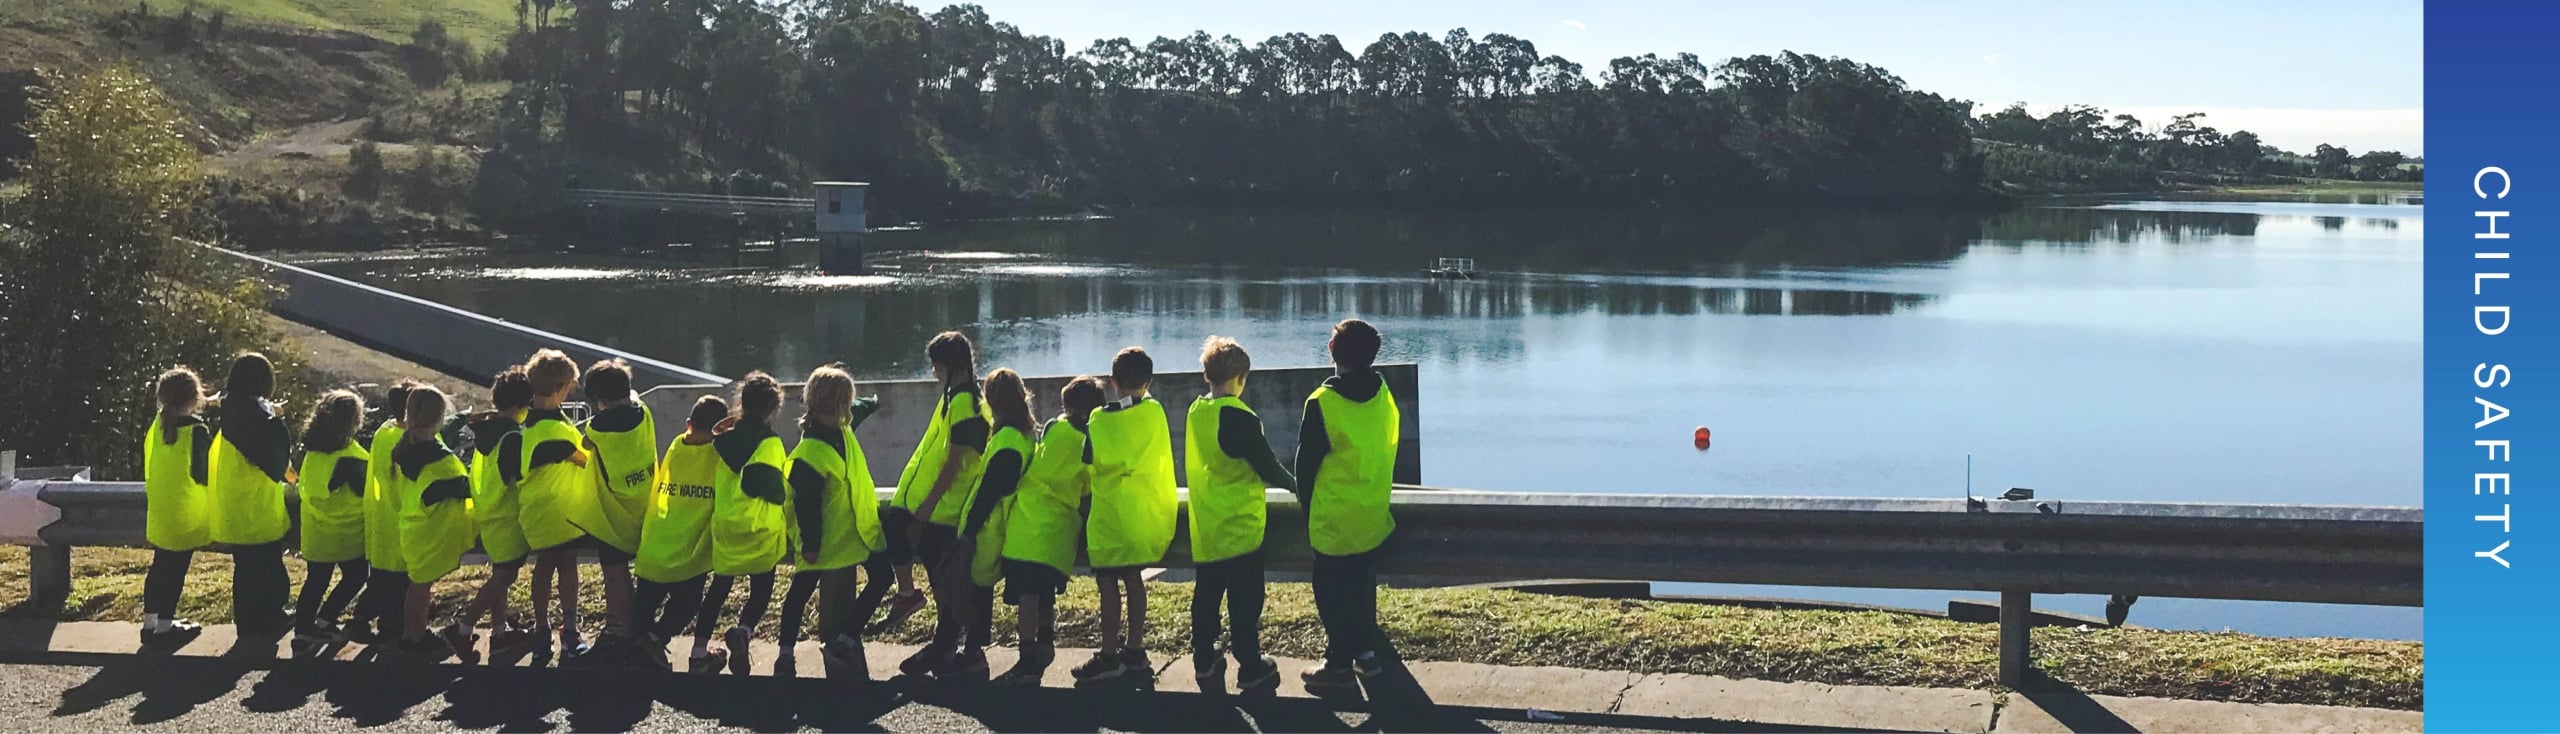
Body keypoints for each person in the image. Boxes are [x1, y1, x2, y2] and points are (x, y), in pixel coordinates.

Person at [1295, 319, 1403, 691]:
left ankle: (1338, 664)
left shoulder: (1323, 402)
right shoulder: (1383, 391)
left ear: (1331, 352)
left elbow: (1305, 467)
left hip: (1334, 521)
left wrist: (1306, 511)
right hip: (1372, 514)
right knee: (1358, 587)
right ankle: (1366, 656)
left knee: (1330, 592)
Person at [1183, 337, 1297, 691]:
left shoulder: (1197, 411)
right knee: (1245, 599)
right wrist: (1302, 488)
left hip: (1207, 522)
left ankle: (1204, 658)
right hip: (1241, 525)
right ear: (1241, 377)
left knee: (1207, 594)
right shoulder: (1239, 416)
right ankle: (1250, 665)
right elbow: (1269, 468)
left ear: (1207, 376)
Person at [1073, 347, 1179, 683]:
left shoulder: (1098, 419)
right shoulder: (1155, 411)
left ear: (1113, 381)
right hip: (1145, 516)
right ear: (1148, 381)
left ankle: (1108, 654)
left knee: (1108, 586)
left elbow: (1088, 460)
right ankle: (1134, 649)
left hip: (1109, 519)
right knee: (1134, 581)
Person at [993, 376, 1105, 686]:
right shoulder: (1092, 444)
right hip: (1061, 531)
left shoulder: (1055, 427)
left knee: (1027, 595)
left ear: (1067, 406)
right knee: (1045, 595)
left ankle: (1026, 659)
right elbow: (1086, 491)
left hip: (1029, 523)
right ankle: (1046, 642)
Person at [892, 332, 992, 676]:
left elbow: (954, 463)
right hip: (942, 508)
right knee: (946, 583)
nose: (933, 373)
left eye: (936, 366)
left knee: (947, 584)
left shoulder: (963, 402)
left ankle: (947, 647)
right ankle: (946, 645)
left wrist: (928, 506)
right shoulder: (958, 396)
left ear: (946, 366)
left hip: (945, 511)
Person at [778, 365, 885, 678]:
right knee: (801, 591)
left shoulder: (842, 429)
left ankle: (842, 639)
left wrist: (873, 402)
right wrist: (810, 545)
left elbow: (861, 409)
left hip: (854, 533)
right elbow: (806, 504)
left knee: (880, 577)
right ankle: (787, 653)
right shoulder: (808, 455)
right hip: (827, 541)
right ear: (840, 405)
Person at [692, 372, 790, 676]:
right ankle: (744, 631)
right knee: (762, 587)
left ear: (741, 403)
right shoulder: (770, 443)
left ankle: (697, 652)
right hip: (758, 527)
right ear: (773, 409)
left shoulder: (722, 440)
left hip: (725, 524)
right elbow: (772, 489)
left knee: (719, 587)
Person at [943, 368, 1037, 681]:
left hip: (987, 528)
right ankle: (971, 652)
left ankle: (973, 655)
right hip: (998, 525)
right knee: (977, 591)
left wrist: (969, 531)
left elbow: (990, 491)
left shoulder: (1007, 439)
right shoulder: (1022, 434)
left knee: (974, 591)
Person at [633, 396, 726, 671]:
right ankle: (654, 640)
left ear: (688, 424)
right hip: (689, 551)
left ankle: (638, 649)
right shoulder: (719, 453)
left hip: (655, 545)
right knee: (686, 605)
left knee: (645, 604)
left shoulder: (676, 444)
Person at [454, 367, 539, 664]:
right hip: (507, 517)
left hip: (488, 514)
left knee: (499, 576)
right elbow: (516, 476)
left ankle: (500, 632)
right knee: (504, 576)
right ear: (520, 406)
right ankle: (463, 628)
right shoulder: (512, 437)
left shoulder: (486, 434)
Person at [518, 349, 597, 661]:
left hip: (535, 509)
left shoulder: (526, 423)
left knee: (544, 566)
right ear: (563, 388)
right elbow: (583, 460)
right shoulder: (557, 432)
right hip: (561, 510)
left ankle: (541, 627)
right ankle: (570, 628)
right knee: (566, 567)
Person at [392, 386, 480, 661]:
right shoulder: (437, 458)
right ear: (438, 417)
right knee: (421, 584)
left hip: (413, 523)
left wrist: (464, 418)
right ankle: (416, 638)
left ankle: (412, 633)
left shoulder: (406, 445)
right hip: (430, 528)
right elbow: (459, 487)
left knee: (418, 582)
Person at [209, 352, 294, 638]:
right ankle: (270, 619)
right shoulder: (257, 417)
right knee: (269, 570)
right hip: (256, 507)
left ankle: (248, 625)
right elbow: (276, 461)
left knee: (245, 571)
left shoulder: (231, 409)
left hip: (232, 504)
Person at [577, 359, 654, 660]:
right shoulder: (643, 411)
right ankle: (636, 624)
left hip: (615, 510)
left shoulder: (598, 427)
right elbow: (632, 398)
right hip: (644, 499)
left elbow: (585, 442)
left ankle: (619, 628)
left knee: (614, 571)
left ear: (599, 402)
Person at [291, 389, 371, 654]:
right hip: (346, 533)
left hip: (316, 529)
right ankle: (325, 620)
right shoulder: (352, 459)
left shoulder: (312, 450)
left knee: (315, 580)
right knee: (356, 575)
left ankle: (302, 631)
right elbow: (364, 492)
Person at [139, 366, 214, 648]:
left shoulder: (158, 425)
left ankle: (150, 623)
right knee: (175, 571)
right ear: (195, 397)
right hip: (186, 512)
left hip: (160, 509)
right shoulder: (197, 431)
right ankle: (165, 627)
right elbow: (202, 474)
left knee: (159, 568)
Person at [349, 380, 418, 646]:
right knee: (400, 579)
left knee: (379, 575)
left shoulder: (382, 432)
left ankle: (361, 617)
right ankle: (391, 628)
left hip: (381, 514)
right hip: (403, 513)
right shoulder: (412, 439)